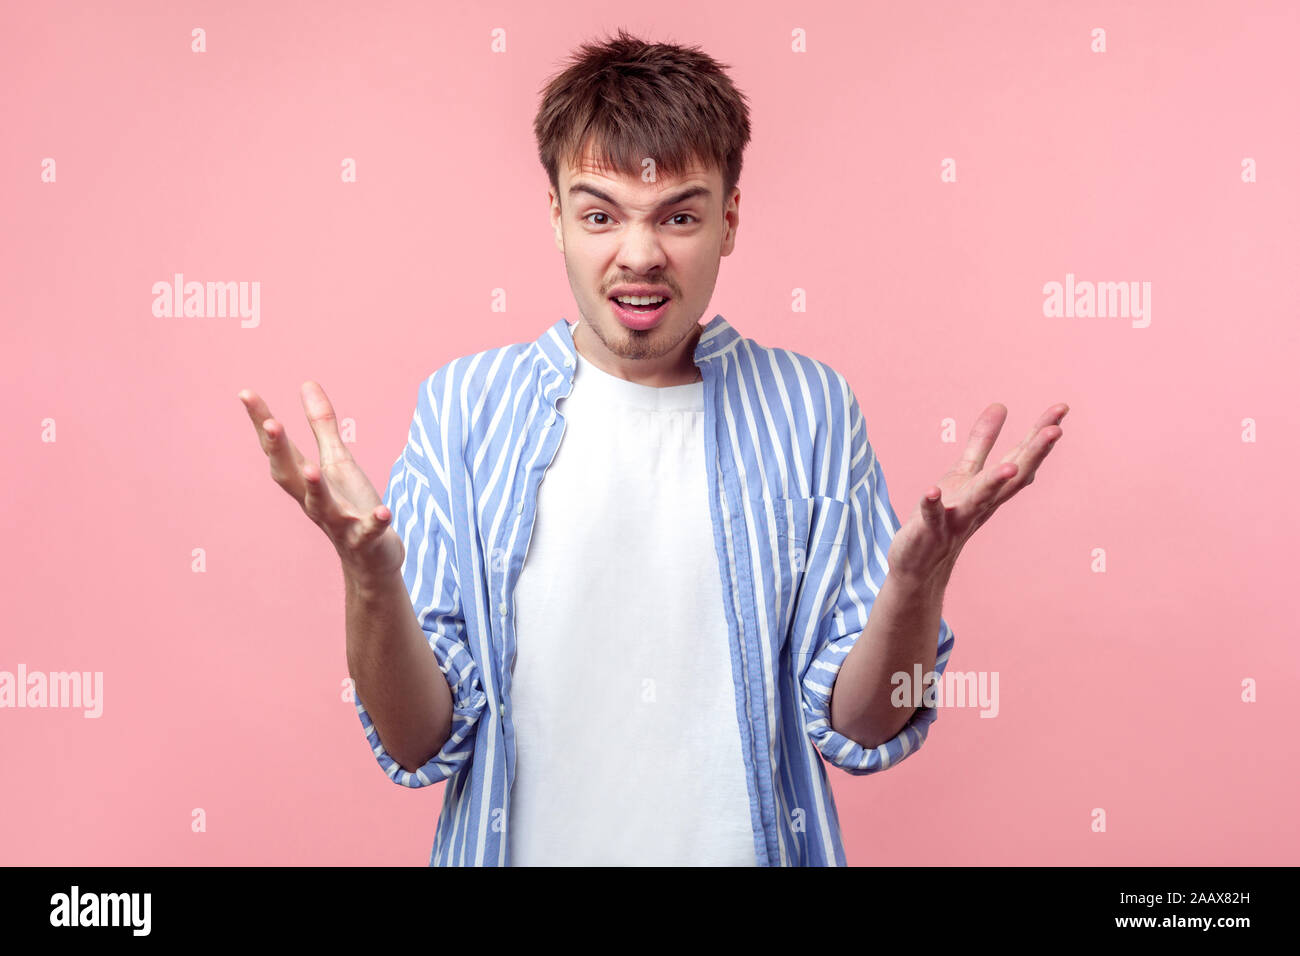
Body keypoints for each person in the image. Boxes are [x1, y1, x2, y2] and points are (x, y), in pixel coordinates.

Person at [238, 29, 1066, 866]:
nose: (640, 255)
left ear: (729, 219)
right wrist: (370, 577)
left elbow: (870, 722)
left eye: (679, 216)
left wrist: (920, 582)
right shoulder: (464, 409)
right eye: (600, 214)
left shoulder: (810, 409)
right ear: (556, 217)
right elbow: (416, 742)